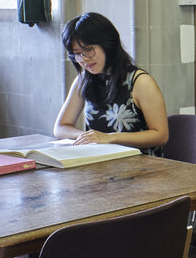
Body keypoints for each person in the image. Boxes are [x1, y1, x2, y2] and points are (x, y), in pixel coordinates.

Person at [54, 12, 169, 155]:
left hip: (142, 165)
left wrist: (109, 138)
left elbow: (161, 135)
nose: (83, 59)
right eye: (77, 53)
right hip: (101, 161)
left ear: (108, 44)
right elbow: (60, 128)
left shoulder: (140, 82)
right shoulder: (84, 79)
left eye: (88, 50)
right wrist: (87, 138)